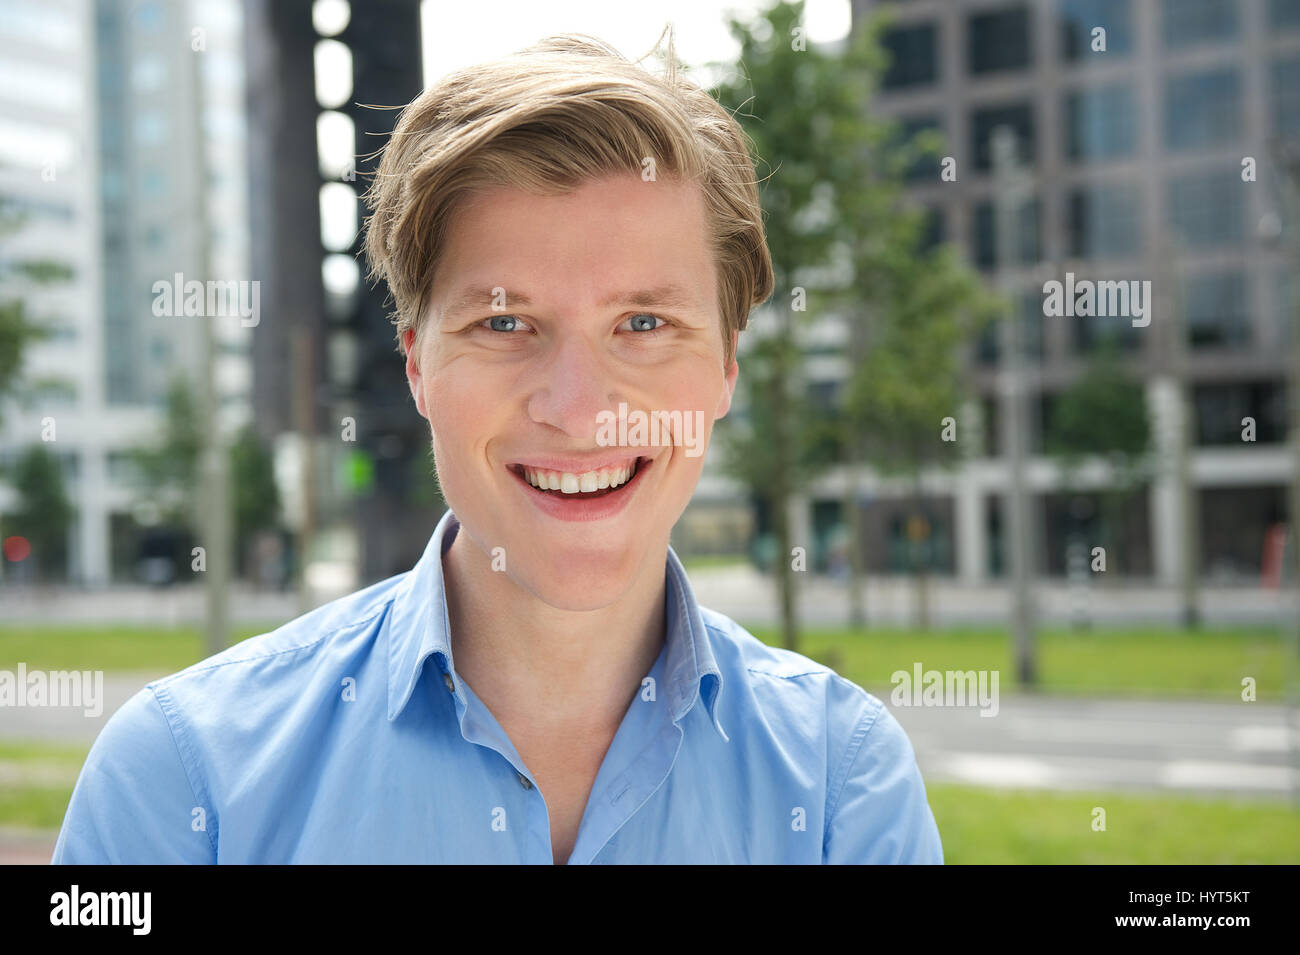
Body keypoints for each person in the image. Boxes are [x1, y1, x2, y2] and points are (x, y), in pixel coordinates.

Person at [52, 31, 942, 864]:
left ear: (724, 370)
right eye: (505, 321)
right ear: (416, 365)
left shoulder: (842, 789)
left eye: (644, 322)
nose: (578, 407)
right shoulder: (181, 781)